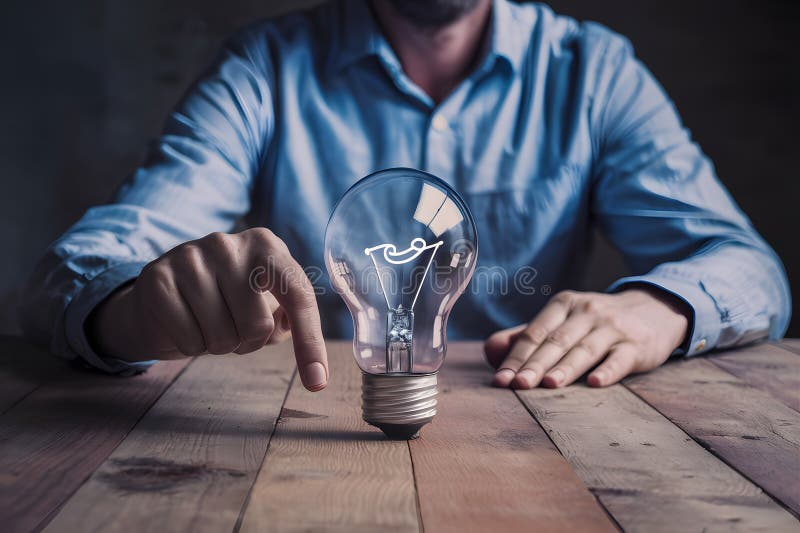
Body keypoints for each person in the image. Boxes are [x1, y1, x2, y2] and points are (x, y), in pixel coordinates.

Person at [20, 0, 791, 393]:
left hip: (538, 424)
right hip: (306, 426)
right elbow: (77, 267)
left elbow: (751, 269)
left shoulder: (595, 76)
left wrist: (662, 308)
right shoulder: (266, 69)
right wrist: (132, 311)